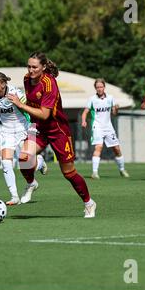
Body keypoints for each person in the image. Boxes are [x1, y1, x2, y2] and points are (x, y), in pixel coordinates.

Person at [8, 52, 97, 218]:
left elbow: (44, 114)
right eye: (29, 66)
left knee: (69, 173)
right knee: (23, 158)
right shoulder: (27, 79)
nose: (31, 70)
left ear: (43, 67)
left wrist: (20, 104)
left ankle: (89, 203)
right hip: (38, 128)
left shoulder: (49, 84)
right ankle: (31, 183)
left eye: (34, 67)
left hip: (58, 130)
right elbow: (34, 109)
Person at [0, 72, 47, 206]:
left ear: (3, 84)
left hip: (24, 128)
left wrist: (33, 126)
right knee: (6, 163)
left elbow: (31, 108)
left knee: (25, 162)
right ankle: (14, 196)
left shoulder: (16, 93)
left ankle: (39, 162)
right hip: (7, 131)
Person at [81, 78, 129, 179]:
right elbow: (85, 112)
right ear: (95, 88)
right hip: (97, 126)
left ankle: (122, 169)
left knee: (116, 149)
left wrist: (116, 109)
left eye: (101, 87)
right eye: (97, 87)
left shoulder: (110, 98)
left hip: (108, 127)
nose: (99, 89)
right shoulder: (92, 99)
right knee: (99, 147)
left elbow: (114, 114)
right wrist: (84, 121)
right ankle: (94, 172)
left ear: (104, 87)